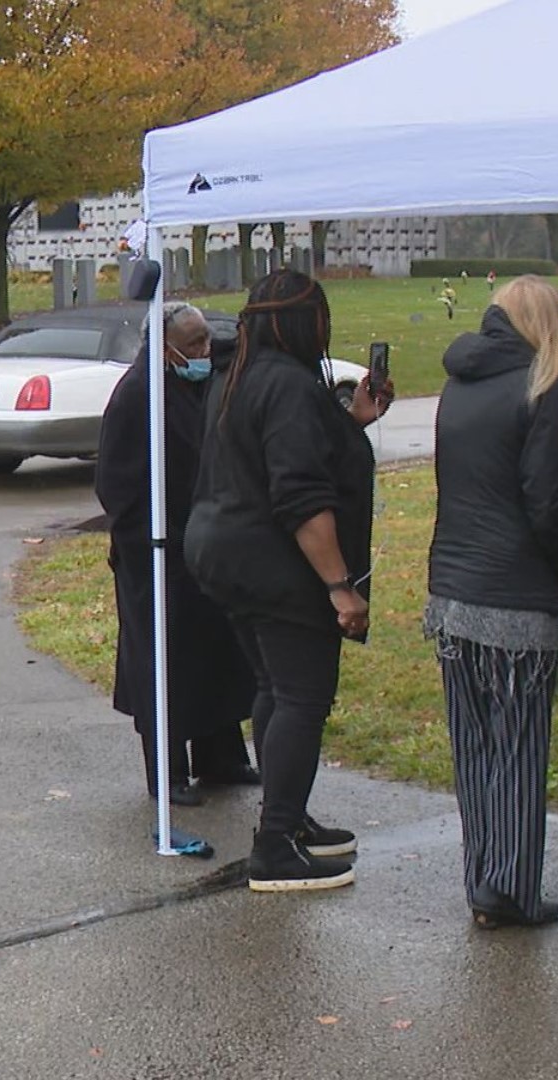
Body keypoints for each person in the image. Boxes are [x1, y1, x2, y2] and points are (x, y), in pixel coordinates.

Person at [186, 270, 383, 892]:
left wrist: (352, 422)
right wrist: (339, 586)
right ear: (305, 322)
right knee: (302, 695)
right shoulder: (290, 386)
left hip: (224, 554)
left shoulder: (236, 376)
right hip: (273, 565)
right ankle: (275, 845)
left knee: (273, 686)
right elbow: (301, 497)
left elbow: (287, 457)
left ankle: (286, 818)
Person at [426, 276, 558, 928]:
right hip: (515, 589)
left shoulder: (459, 384)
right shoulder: (543, 388)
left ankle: (483, 878)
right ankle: (512, 885)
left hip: (454, 585)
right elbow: (546, 500)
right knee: (519, 746)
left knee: (475, 744)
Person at [96, 303, 258, 807]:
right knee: (166, 663)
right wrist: (157, 540)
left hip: (203, 543)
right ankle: (167, 772)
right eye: (193, 347)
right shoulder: (138, 397)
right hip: (157, 553)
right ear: (163, 348)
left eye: (206, 343)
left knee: (217, 654)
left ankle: (221, 756)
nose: (204, 354)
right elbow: (118, 486)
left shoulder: (190, 382)